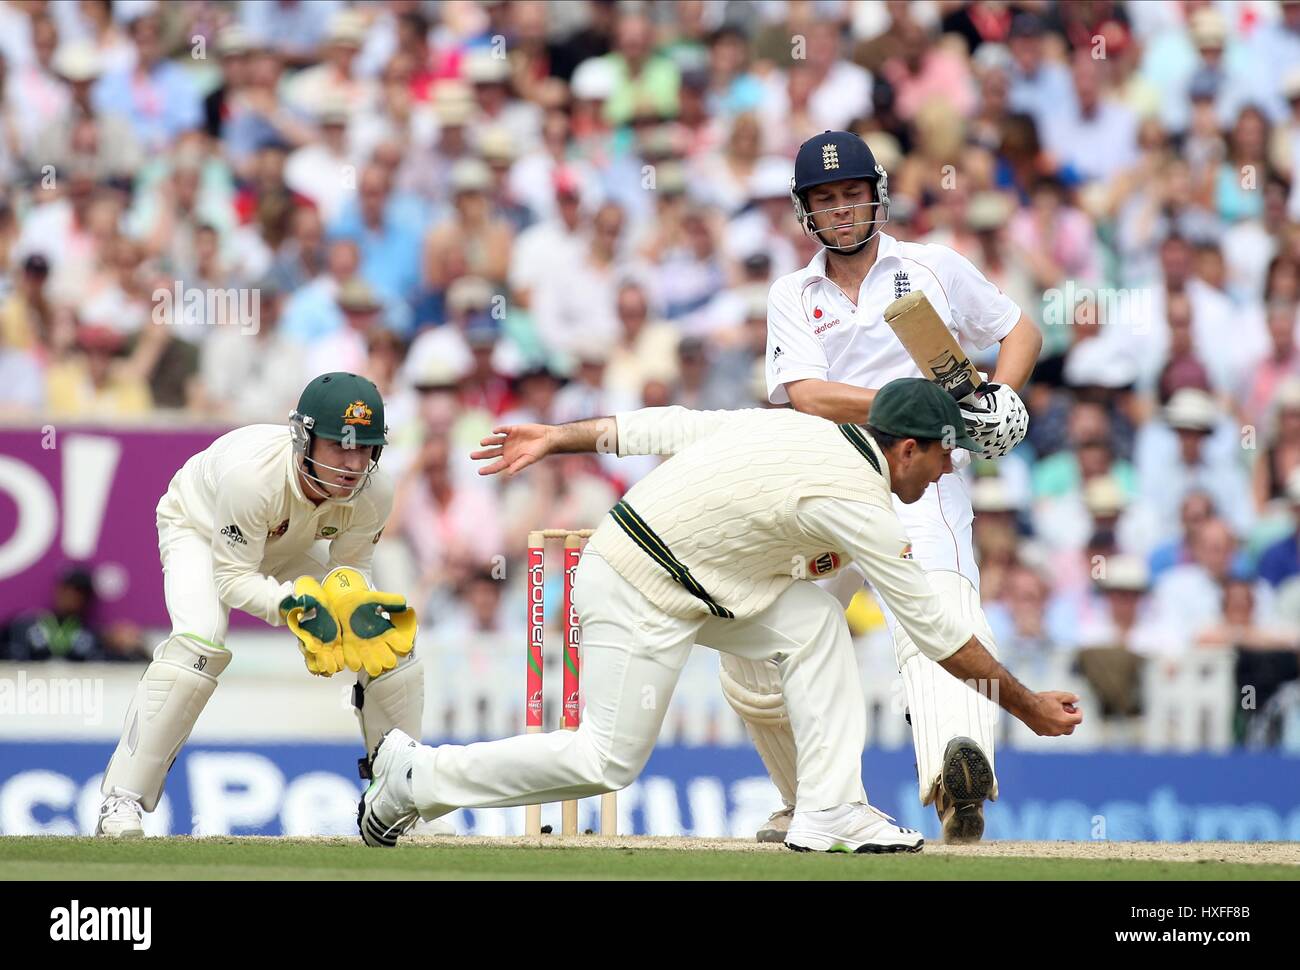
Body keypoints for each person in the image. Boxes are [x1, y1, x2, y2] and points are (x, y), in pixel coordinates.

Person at [356, 379, 1082, 852]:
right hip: (637, 584)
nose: (947, 472)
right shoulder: (858, 498)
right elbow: (935, 629)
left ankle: (828, 810)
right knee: (606, 761)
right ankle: (414, 778)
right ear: (909, 447)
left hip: (698, 581)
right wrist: (1026, 706)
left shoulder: (809, 432)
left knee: (815, 624)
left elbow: (677, 425)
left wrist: (559, 435)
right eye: (943, 458)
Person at [735, 129, 1041, 843]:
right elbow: (806, 394)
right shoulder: (792, 291)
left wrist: (997, 398)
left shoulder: (932, 266)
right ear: (806, 211)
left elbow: (1020, 330)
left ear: (876, 197)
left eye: (851, 195)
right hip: (827, 482)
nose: (841, 211)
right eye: (825, 200)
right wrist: (915, 406)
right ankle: (809, 797)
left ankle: (956, 775)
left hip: (924, 476)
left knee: (941, 614)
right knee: (756, 645)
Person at [95, 373, 434, 837]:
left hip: (287, 540)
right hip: (199, 526)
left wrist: (351, 605)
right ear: (305, 438)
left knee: (386, 642)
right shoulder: (251, 479)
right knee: (198, 646)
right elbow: (233, 577)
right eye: (340, 446)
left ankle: (395, 800)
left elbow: (351, 568)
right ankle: (121, 801)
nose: (353, 463)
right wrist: (295, 607)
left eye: (365, 448)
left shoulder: (374, 490)